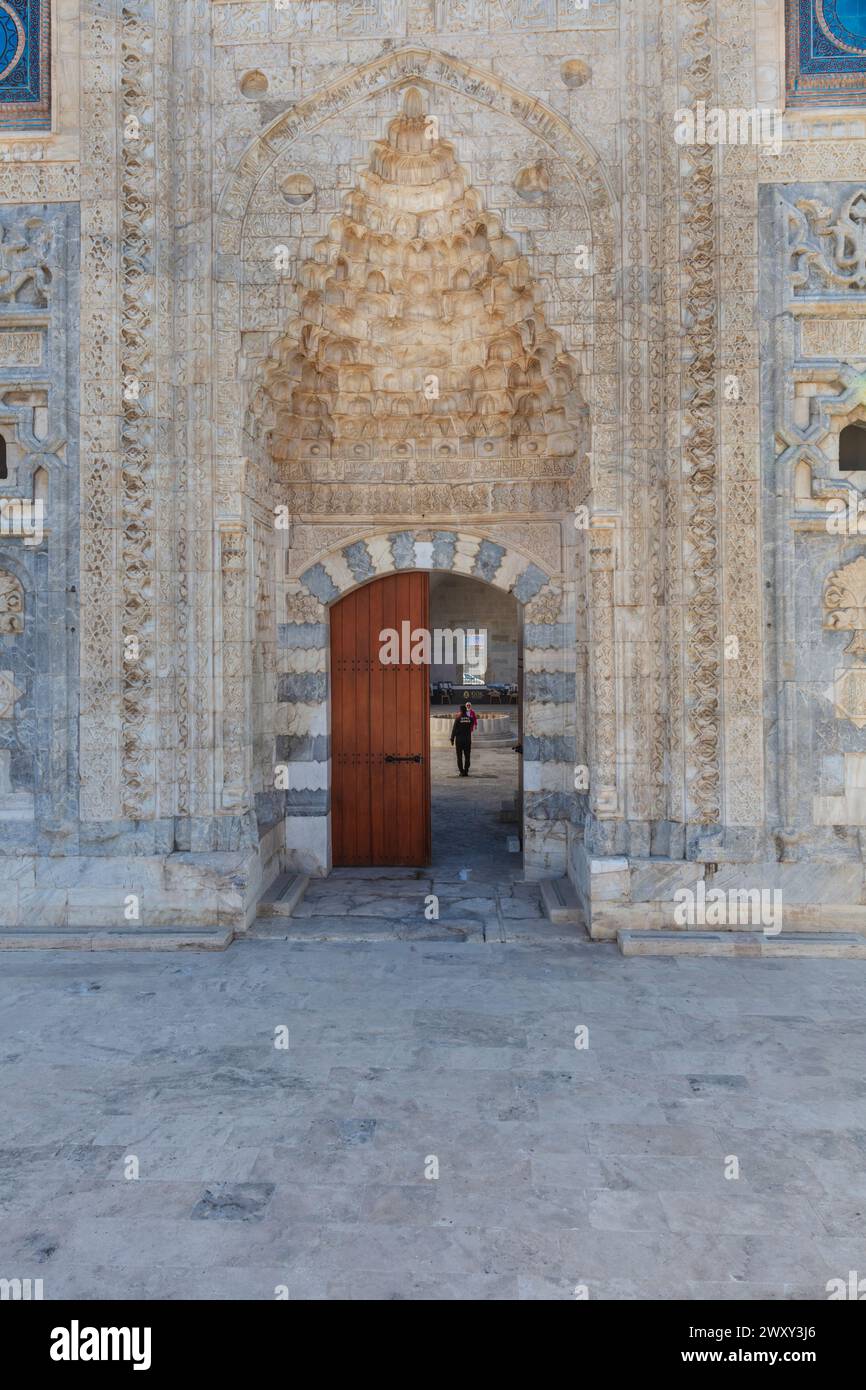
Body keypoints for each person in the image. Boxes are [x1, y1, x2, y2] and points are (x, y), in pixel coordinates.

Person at [450, 702, 474, 777]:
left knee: (459, 757)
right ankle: (466, 771)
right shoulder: (470, 719)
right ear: (466, 711)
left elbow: (454, 730)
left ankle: (461, 772)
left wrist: (452, 739)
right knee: (467, 756)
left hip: (459, 741)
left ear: (460, 711)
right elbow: (471, 726)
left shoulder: (458, 719)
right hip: (467, 740)